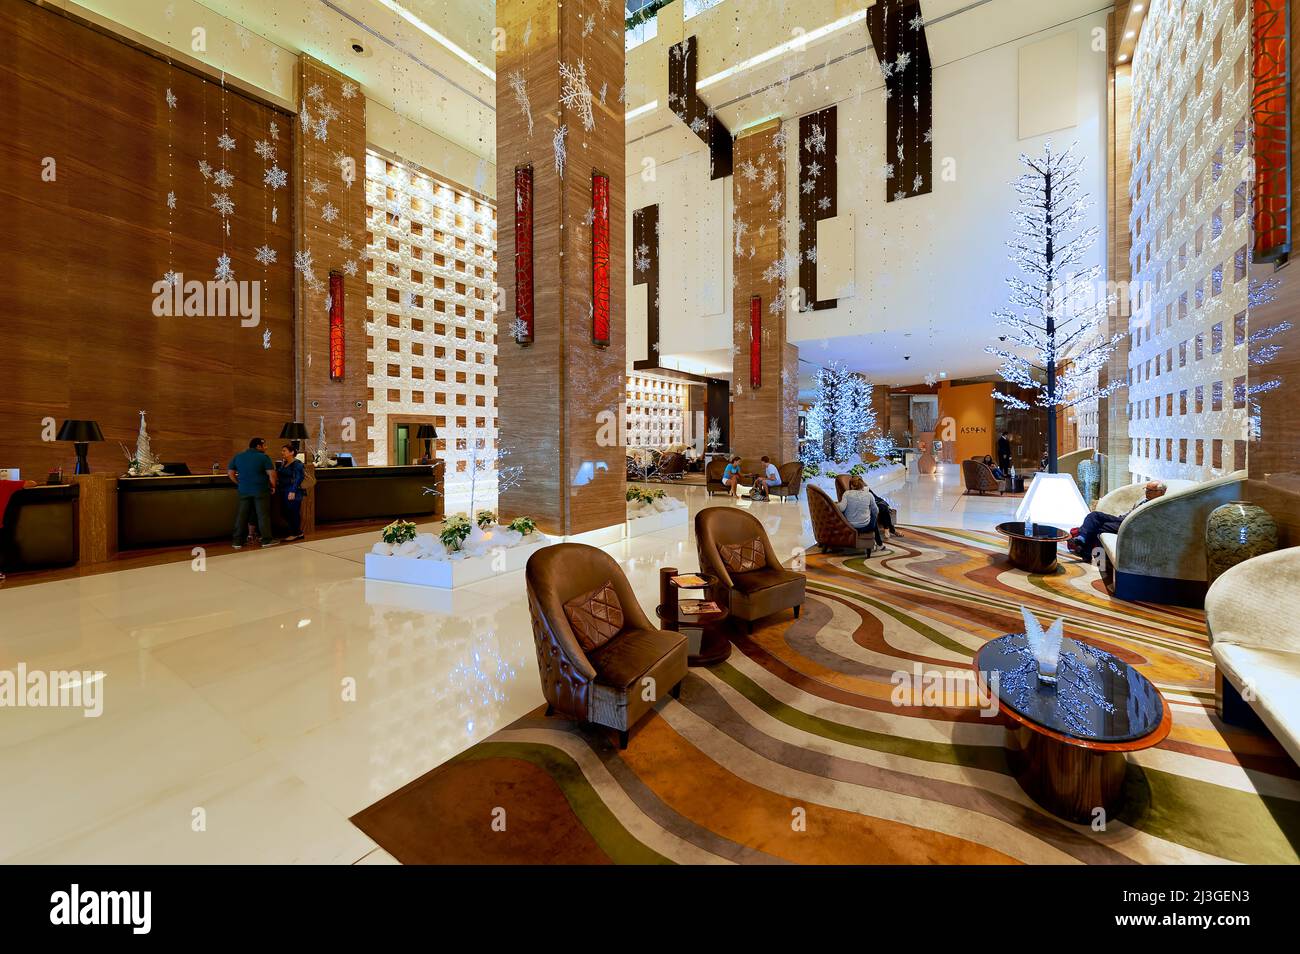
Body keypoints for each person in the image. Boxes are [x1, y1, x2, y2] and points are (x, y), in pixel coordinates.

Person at [1067, 480, 1167, 563]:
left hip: (1130, 525)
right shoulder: (1145, 500)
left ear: (1161, 492)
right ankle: (1083, 542)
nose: (1147, 492)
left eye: (1150, 490)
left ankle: (1084, 545)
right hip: (1122, 519)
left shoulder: (1158, 505)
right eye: (1146, 489)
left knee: (1097, 525)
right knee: (1094, 515)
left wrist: (1127, 520)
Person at [228, 437, 278, 549]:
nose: (266, 447)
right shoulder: (264, 457)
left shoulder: (238, 456)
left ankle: (237, 542)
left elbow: (230, 473)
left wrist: (238, 483)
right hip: (261, 490)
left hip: (244, 490)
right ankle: (266, 540)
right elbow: (272, 474)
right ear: (258, 446)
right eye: (264, 445)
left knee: (242, 515)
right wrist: (273, 486)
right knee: (263, 515)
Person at [275, 443, 306, 541]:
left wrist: (292, 491)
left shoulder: (297, 464)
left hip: (293, 491)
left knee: (293, 512)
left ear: (292, 452)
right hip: (284, 490)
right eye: (282, 451)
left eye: (284, 451)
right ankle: (298, 532)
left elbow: (298, 478)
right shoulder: (284, 463)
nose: (282, 452)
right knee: (285, 512)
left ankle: (295, 533)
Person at [837, 476, 879, 542]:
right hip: (866, 527)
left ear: (851, 486)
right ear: (862, 486)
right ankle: (879, 543)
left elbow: (841, 508)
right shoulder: (869, 495)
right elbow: (876, 511)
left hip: (850, 527)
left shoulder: (846, 493)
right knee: (874, 513)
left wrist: (836, 504)